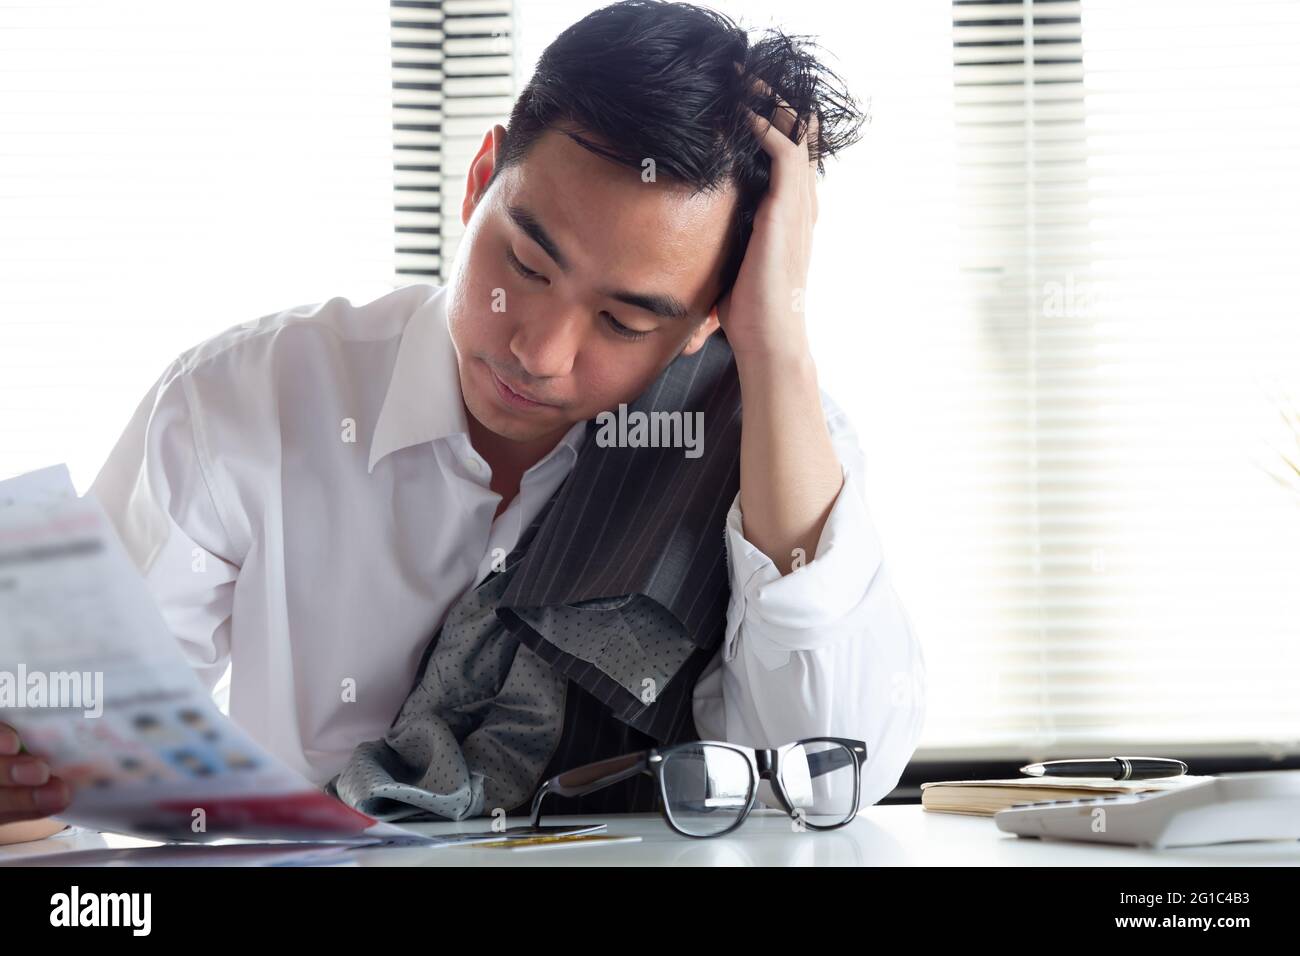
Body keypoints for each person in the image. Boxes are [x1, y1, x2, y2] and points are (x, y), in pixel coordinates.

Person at [0, 0, 925, 844]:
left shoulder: (764, 433)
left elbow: (831, 763)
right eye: (525, 263)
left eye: (625, 321)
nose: (541, 350)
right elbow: (71, 748)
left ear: (711, 316)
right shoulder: (247, 400)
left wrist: (780, 343)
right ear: (482, 176)